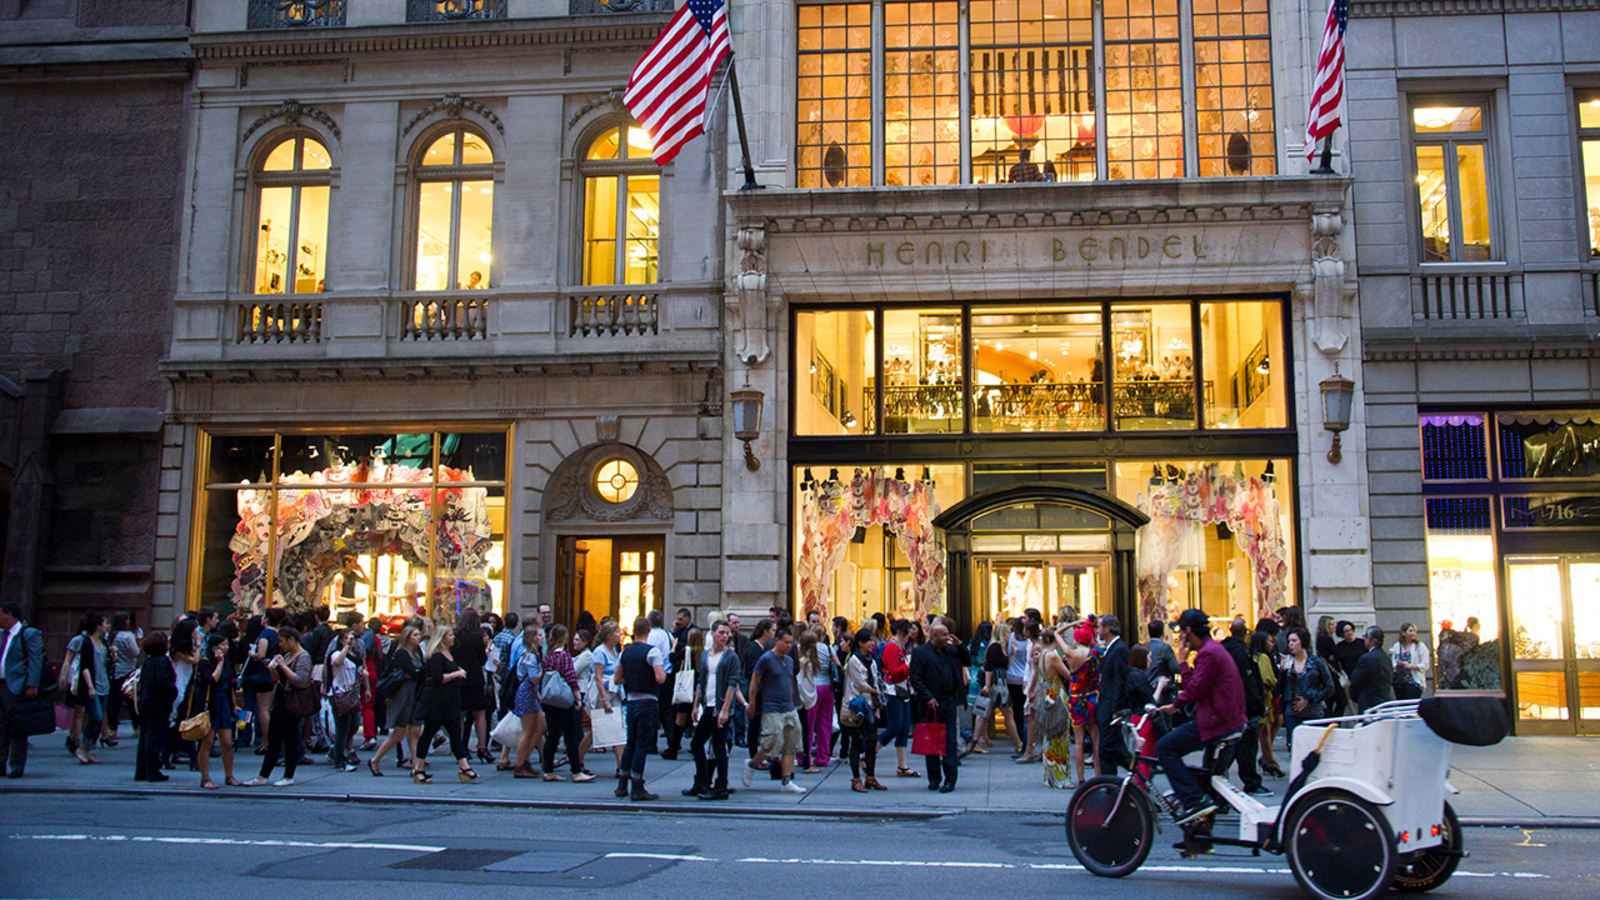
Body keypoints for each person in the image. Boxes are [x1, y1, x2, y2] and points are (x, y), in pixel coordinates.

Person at [1154, 609, 1246, 824]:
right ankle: (1200, 823)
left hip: (1217, 722)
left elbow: (1195, 689)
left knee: (1165, 749)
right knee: (1207, 776)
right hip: (1225, 720)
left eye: (1181, 633)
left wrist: (1183, 662)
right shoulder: (1213, 650)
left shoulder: (1208, 653)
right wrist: (1177, 705)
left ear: (1188, 631)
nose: (1180, 638)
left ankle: (1193, 800)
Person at [248, 626, 313, 787]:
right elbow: (282, 680)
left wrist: (283, 666)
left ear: (291, 639)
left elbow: (301, 681)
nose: (280, 645)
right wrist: (274, 670)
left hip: (292, 703)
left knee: (290, 738)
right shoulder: (287, 655)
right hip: (281, 700)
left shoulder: (303, 657)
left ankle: (288, 775)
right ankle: (263, 775)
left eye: (282, 641)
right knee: (274, 738)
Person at [742, 628, 806, 793]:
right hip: (771, 707)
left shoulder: (790, 660)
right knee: (771, 742)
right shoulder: (766, 659)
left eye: (791, 643)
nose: (788, 646)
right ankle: (752, 764)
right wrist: (752, 704)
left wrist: (792, 701)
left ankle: (786, 781)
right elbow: (754, 682)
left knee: (791, 742)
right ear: (777, 641)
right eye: (785, 642)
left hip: (788, 707)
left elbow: (790, 682)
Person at [412, 628, 478, 784]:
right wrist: (456, 674)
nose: (453, 637)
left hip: (449, 700)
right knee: (429, 733)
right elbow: (437, 677)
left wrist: (457, 672)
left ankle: (464, 767)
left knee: (455, 733)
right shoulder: (436, 656)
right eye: (450, 635)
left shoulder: (448, 654)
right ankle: (419, 768)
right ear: (442, 638)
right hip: (437, 701)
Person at [687, 619, 742, 800]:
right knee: (697, 744)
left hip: (719, 708)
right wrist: (695, 705)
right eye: (721, 633)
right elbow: (701, 681)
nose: (724, 636)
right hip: (707, 706)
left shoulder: (731, 657)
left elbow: (732, 685)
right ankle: (702, 780)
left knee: (719, 747)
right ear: (713, 634)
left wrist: (725, 710)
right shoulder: (705, 655)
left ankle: (720, 786)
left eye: (727, 633)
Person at [615, 615, 667, 801]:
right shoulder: (652, 652)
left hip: (631, 701)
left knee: (631, 742)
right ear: (649, 629)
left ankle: (622, 783)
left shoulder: (624, 652)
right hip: (648, 700)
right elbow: (660, 677)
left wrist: (632, 680)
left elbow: (617, 679)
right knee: (642, 745)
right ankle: (637, 785)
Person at [908, 622, 964, 793]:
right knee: (931, 741)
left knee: (950, 742)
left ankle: (950, 779)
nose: (947, 637)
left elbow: (967, 660)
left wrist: (960, 645)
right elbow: (915, 678)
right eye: (944, 634)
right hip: (929, 704)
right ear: (934, 637)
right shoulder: (920, 653)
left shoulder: (952, 651)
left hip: (948, 701)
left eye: (948, 634)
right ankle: (934, 778)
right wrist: (928, 697)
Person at [1218, 618, 1269, 796]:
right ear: (1245, 632)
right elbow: (1247, 682)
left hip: (1232, 707)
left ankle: (1219, 778)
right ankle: (1249, 782)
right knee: (1245, 747)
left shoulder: (1225, 650)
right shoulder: (1241, 653)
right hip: (1244, 707)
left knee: (1234, 746)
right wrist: (1256, 704)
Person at [370, 625, 424, 776]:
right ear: (407, 637)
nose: (418, 638)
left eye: (418, 635)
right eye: (415, 635)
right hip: (404, 692)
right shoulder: (401, 652)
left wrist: (418, 672)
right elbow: (414, 672)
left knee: (415, 730)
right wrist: (418, 672)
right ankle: (375, 760)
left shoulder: (417, 652)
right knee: (398, 733)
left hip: (415, 692)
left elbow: (421, 671)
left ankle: (416, 766)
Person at [0, 603, 46, 778]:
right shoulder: (1, 635)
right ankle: (1, 761)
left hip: (16, 686)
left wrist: (32, 684)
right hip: (1, 685)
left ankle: (17, 764)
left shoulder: (28, 634)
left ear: (9, 615)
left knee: (17, 727)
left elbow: (36, 659)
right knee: (0, 726)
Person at [541, 624, 589, 782]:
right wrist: (577, 698)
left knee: (552, 735)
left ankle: (548, 770)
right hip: (563, 698)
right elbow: (570, 677)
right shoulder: (565, 656)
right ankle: (576, 771)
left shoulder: (548, 656)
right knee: (570, 735)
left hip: (549, 699)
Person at [841, 628, 885, 792]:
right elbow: (860, 684)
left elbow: (875, 680)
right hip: (857, 705)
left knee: (871, 743)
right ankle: (856, 779)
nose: (872, 644)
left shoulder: (871, 661)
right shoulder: (854, 660)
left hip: (871, 706)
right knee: (856, 742)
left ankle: (871, 777)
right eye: (869, 641)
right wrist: (875, 691)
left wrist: (877, 704)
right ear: (860, 643)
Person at [194, 632, 241, 788]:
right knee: (207, 742)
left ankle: (229, 775)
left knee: (227, 742)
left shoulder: (227, 662)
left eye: (226, 644)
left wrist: (233, 704)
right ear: (214, 647)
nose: (225, 648)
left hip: (223, 703)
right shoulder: (205, 662)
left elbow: (229, 685)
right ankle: (205, 777)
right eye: (222, 645)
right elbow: (212, 680)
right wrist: (219, 663)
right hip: (210, 703)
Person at [62, 613, 110, 764]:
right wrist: (90, 687)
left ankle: (87, 750)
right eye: (106, 623)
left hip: (104, 685)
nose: (108, 625)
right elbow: (85, 667)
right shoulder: (86, 643)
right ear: (98, 626)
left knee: (98, 717)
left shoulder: (103, 642)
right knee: (96, 717)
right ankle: (82, 747)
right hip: (92, 685)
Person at [134, 632, 178, 782]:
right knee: (154, 739)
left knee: (145, 738)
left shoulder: (148, 662)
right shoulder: (162, 662)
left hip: (146, 703)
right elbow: (163, 682)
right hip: (158, 705)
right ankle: (153, 771)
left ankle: (142, 770)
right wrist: (173, 692)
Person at [876, 618, 917, 779]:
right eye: (908, 632)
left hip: (900, 691)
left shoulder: (896, 646)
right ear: (901, 632)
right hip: (894, 691)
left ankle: (902, 765)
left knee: (903, 727)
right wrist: (908, 667)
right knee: (896, 726)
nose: (909, 636)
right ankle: (868, 754)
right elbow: (894, 671)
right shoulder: (893, 647)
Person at [1280, 628, 1332, 752]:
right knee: (1294, 747)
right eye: (1289, 641)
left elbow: (1329, 687)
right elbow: (1279, 688)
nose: (1291, 644)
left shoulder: (1316, 662)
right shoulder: (1288, 663)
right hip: (1292, 713)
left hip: (1313, 712)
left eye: (1294, 641)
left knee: (1313, 748)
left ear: (1302, 642)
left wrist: (1310, 698)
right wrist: (1282, 672)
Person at [1036, 630, 1076, 789]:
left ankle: (1050, 776)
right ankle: (1060, 778)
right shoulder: (1052, 656)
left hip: (1047, 694)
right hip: (1057, 696)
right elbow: (1068, 675)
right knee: (1059, 738)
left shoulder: (1042, 654)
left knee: (1049, 737)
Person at [452, 609, 492, 765]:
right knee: (479, 713)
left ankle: (461, 747)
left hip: (459, 678)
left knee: (460, 714)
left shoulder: (456, 635)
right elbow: (482, 660)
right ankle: (482, 746)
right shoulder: (477, 636)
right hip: (475, 678)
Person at [511, 622, 547, 779]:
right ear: (532, 638)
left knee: (540, 726)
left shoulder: (532, 655)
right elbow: (534, 679)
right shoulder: (530, 656)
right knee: (527, 731)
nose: (542, 638)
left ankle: (525, 760)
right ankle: (520, 764)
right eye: (539, 635)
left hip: (530, 694)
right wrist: (544, 670)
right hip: (526, 694)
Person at [246, 608, 285, 754]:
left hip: (264, 674)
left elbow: (261, 655)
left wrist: (252, 654)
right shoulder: (279, 634)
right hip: (275, 673)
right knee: (270, 707)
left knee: (262, 708)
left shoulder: (265, 635)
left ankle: (266, 740)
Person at [1095, 615, 1130, 773]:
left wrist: (1116, 709)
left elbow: (1119, 680)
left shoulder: (1119, 649)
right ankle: (1110, 781)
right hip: (1106, 703)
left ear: (1107, 628)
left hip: (1110, 705)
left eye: (1099, 627)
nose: (1097, 630)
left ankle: (1133, 768)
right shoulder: (1112, 648)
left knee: (1109, 746)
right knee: (1108, 746)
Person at [590, 621, 625, 776]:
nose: (620, 634)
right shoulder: (600, 652)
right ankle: (577, 756)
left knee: (617, 728)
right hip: (604, 692)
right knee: (597, 730)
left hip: (614, 691)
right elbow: (598, 677)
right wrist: (604, 700)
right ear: (610, 635)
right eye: (617, 632)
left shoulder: (614, 650)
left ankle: (620, 766)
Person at [799, 629, 835, 773]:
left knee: (808, 724)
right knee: (825, 723)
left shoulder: (800, 654)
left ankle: (803, 756)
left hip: (812, 690)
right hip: (827, 687)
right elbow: (837, 664)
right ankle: (823, 756)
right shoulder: (828, 648)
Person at [1251, 629, 1285, 779]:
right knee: (1262, 731)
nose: (1272, 644)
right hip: (1264, 697)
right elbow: (1268, 679)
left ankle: (1268, 760)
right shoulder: (1264, 658)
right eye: (1270, 641)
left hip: (1259, 697)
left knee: (1264, 730)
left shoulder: (1253, 656)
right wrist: (1279, 677)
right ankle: (1268, 761)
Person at [105, 611, 141, 745]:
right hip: (128, 670)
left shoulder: (109, 636)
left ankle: (112, 728)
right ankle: (136, 727)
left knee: (114, 700)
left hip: (114, 671)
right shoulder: (128, 636)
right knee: (132, 700)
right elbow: (136, 652)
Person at [1347, 625, 1397, 713]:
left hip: (1369, 703)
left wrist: (1355, 696)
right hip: (1384, 701)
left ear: (1369, 639)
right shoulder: (1386, 657)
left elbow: (1356, 681)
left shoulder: (1366, 658)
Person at [1390, 623, 1430, 700]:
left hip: (1414, 681)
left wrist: (1410, 666)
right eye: (1410, 631)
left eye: (1414, 631)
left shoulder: (1419, 646)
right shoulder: (1397, 646)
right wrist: (1398, 664)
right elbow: (1393, 663)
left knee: (1411, 705)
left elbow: (1425, 664)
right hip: (1400, 682)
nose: (1413, 633)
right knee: (1401, 705)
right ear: (1403, 633)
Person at [1146, 620, 1180, 701]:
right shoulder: (1164, 648)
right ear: (1163, 633)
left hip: (1147, 688)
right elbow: (1175, 668)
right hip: (1162, 691)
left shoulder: (1144, 647)